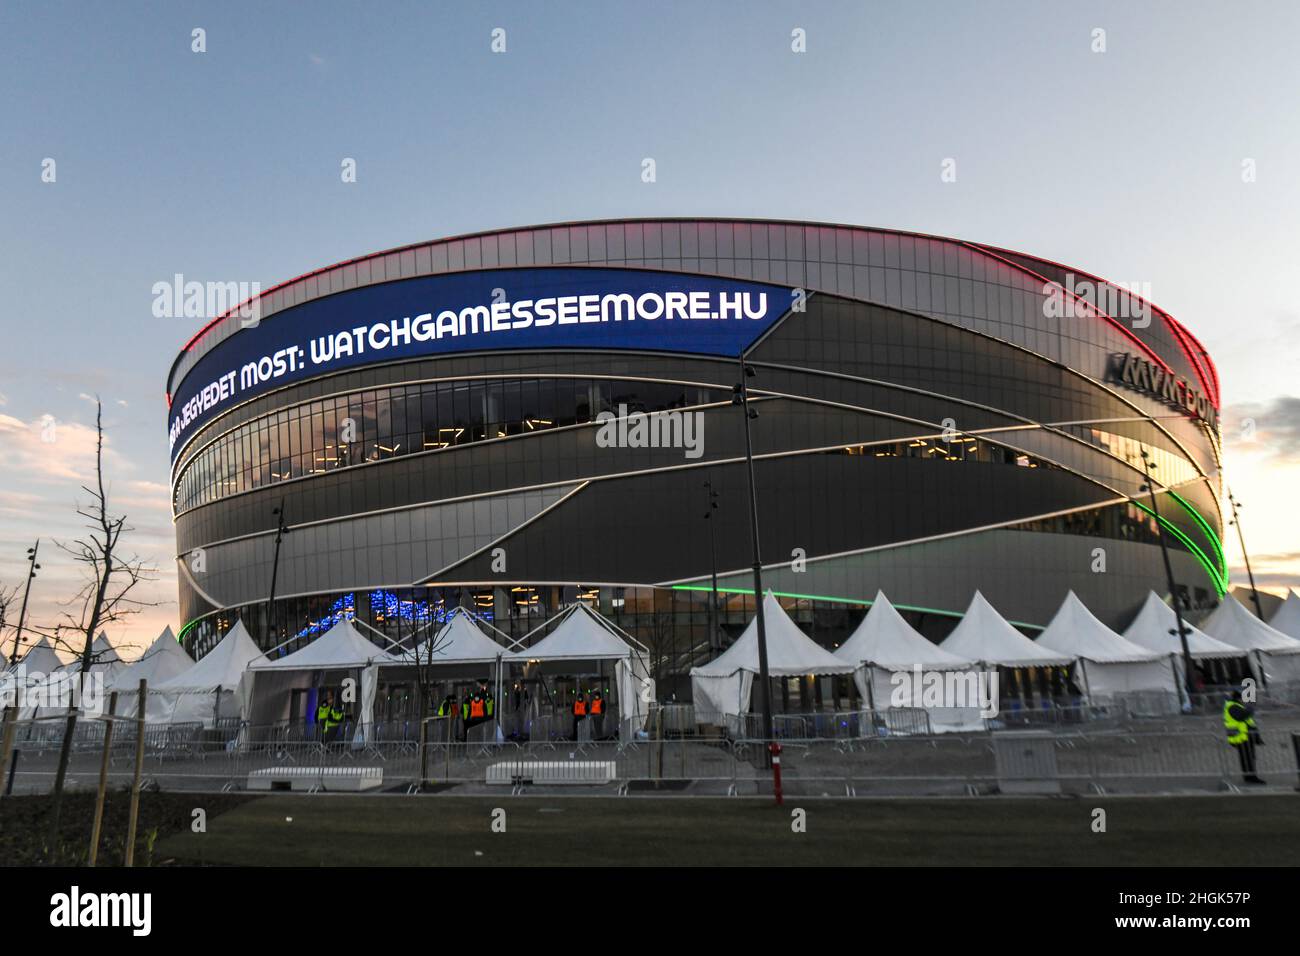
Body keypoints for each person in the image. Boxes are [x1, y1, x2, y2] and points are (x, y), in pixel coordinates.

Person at [1223, 689, 1264, 784]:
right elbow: (1242, 716)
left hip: (1246, 737)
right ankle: (1250, 777)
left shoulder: (1235, 705)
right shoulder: (1232, 706)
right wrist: (1250, 707)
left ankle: (1250, 776)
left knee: (1249, 757)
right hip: (1242, 737)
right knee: (1247, 758)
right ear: (1238, 698)